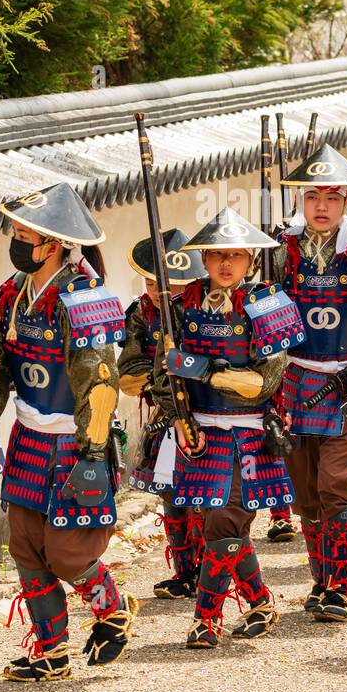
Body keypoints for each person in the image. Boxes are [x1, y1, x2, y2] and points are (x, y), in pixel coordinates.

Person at [0, 182, 135, 682]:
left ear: (56, 243)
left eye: (26, 234)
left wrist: (91, 455)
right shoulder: (8, 298)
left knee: (67, 551)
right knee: (25, 546)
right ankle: (51, 650)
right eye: (16, 231)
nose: (16, 241)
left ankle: (112, 604)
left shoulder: (83, 298)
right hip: (27, 435)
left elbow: (99, 387)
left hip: (72, 440)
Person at [151, 208, 304, 648]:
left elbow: (263, 382)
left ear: (251, 258)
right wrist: (179, 418)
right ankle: (259, 600)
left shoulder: (269, 303)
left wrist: (201, 370)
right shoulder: (179, 306)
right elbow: (166, 374)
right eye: (217, 254)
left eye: (235, 255)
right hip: (199, 432)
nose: (225, 264)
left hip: (248, 432)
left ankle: (205, 619)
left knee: (225, 520)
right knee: (217, 524)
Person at [272, 144, 347, 622]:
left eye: (333, 198)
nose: (321, 206)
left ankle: (340, 586)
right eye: (313, 196)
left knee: (338, 483)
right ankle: (319, 578)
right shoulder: (284, 248)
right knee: (307, 489)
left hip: (346, 383)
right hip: (295, 379)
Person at [117, 229, 205, 598]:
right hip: (163, 417)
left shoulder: (206, 307)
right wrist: (162, 381)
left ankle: (212, 569)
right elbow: (129, 372)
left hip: (204, 414)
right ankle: (185, 571)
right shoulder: (140, 313)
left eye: (164, 283)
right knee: (171, 496)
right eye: (150, 281)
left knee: (204, 497)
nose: (156, 289)